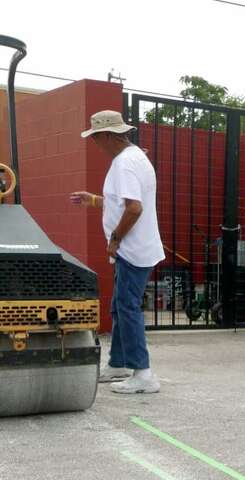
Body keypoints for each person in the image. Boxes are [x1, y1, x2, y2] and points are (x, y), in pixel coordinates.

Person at [70, 110, 163, 394]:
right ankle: (119, 362)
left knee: (127, 307)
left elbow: (134, 208)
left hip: (132, 249)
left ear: (108, 135)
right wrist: (96, 200)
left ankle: (143, 374)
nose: (95, 143)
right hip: (137, 248)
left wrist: (115, 238)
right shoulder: (136, 157)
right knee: (120, 306)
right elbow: (123, 202)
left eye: (96, 137)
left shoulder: (123, 164)